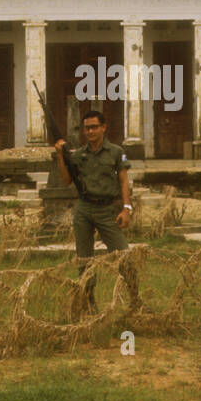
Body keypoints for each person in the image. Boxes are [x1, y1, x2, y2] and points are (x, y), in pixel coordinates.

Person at [53, 110, 133, 309]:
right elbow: (65, 181)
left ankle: (135, 300)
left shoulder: (116, 151)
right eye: (86, 128)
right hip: (84, 209)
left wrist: (126, 209)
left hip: (107, 210)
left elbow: (124, 181)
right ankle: (88, 302)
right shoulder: (79, 155)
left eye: (94, 127)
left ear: (103, 127)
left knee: (123, 254)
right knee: (85, 259)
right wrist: (61, 157)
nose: (90, 131)